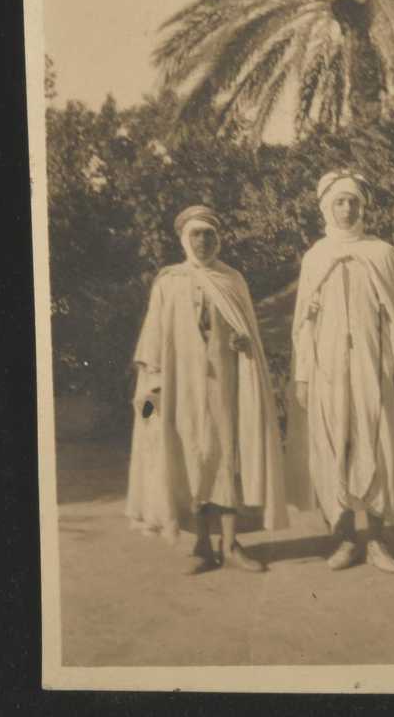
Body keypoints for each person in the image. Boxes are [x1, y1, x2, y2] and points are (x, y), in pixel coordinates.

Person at [126, 204, 288, 573]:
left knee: (225, 458)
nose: (202, 241)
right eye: (196, 234)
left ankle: (230, 544)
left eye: (209, 234)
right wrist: (150, 391)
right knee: (190, 460)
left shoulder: (232, 280)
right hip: (180, 389)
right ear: (184, 239)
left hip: (224, 388)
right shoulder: (169, 282)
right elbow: (153, 339)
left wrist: (242, 344)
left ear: (219, 239)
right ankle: (201, 546)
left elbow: (247, 336)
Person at [289, 171, 394, 572]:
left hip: (375, 367)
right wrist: (302, 376)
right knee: (336, 448)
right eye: (340, 201)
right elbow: (304, 323)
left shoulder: (382, 253)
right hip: (327, 370)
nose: (347, 208)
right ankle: (345, 540)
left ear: (363, 207)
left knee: (378, 445)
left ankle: (376, 541)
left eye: (353, 201)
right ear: (326, 207)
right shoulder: (316, 257)